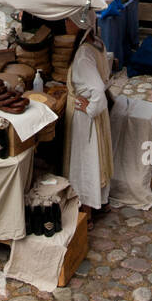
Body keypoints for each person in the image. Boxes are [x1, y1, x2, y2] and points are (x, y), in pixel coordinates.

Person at [64, 33, 113, 227]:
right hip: (96, 118)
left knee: (85, 163)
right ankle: (103, 201)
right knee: (97, 159)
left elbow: (98, 92)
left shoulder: (84, 53)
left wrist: (89, 108)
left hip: (86, 119)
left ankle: (87, 211)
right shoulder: (97, 42)